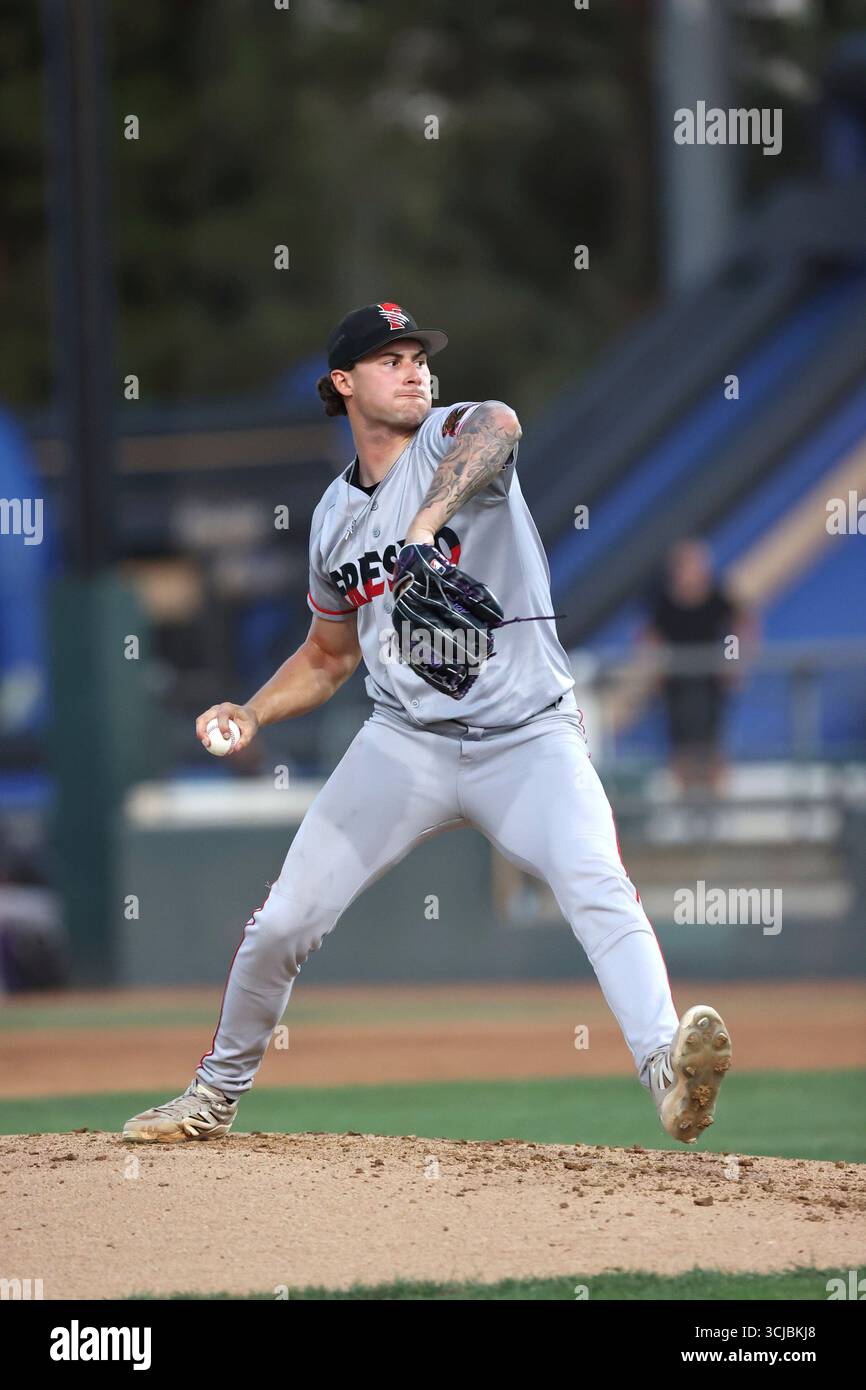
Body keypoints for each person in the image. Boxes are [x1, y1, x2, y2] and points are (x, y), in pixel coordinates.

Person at [122, 303, 732, 1147]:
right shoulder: (334, 520)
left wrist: (421, 528)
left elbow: (501, 423)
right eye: (389, 359)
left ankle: (668, 1070)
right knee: (284, 925)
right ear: (344, 384)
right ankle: (212, 1095)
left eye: (418, 356)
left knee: (597, 884)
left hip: (529, 737)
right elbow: (330, 655)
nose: (414, 370)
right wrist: (251, 708)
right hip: (404, 741)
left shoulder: (455, 436)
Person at [644, 540, 749, 792]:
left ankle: (715, 804)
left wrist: (733, 661)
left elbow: (742, 625)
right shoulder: (664, 602)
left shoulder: (716, 597)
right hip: (677, 687)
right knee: (681, 750)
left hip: (711, 685)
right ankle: (686, 805)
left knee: (713, 746)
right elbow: (651, 638)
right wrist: (655, 670)